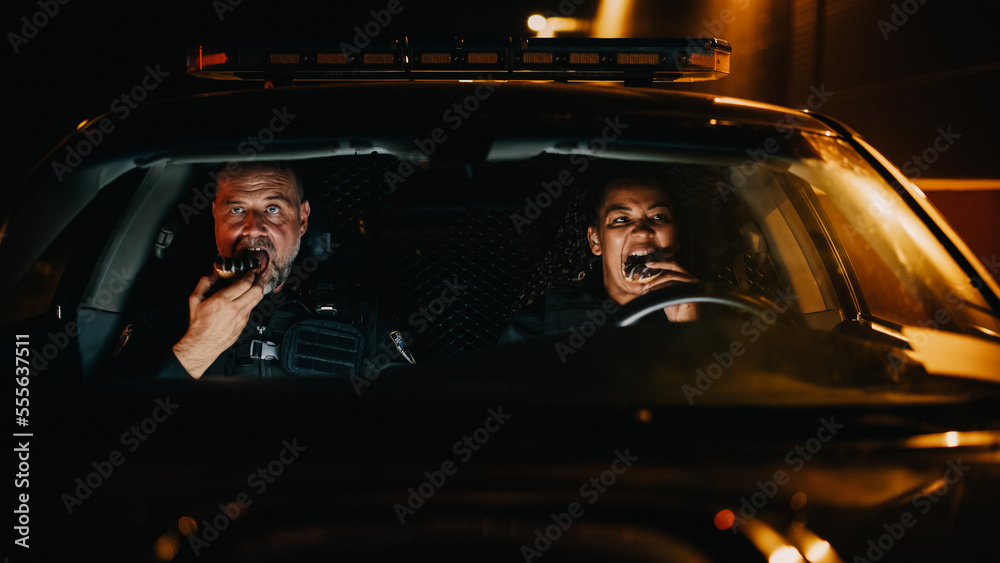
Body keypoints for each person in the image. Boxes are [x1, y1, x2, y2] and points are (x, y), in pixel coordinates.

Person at [108, 161, 406, 379]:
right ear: (215, 218)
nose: (252, 227)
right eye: (236, 209)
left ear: (302, 220)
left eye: (272, 209)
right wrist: (196, 349)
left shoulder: (359, 310)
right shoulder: (162, 308)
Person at [500, 171, 698, 344]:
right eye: (621, 220)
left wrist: (689, 330)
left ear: (676, 236)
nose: (643, 232)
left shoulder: (708, 309)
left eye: (658, 217)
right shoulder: (540, 322)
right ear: (595, 240)